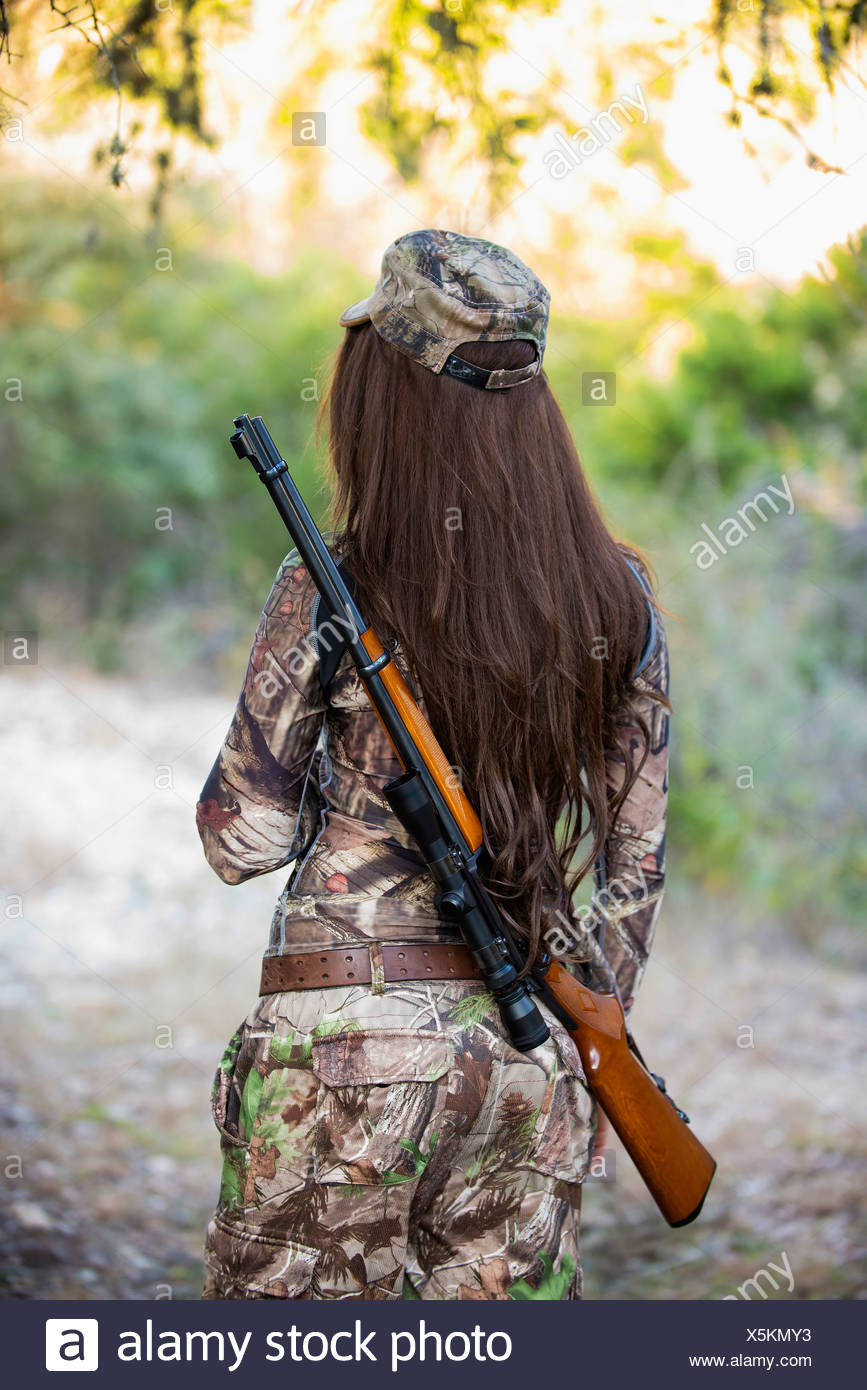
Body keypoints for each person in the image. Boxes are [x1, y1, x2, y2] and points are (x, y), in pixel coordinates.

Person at [195, 229, 670, 1301]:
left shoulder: (336, 581)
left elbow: (243, 842)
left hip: (341, 1049)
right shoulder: (619, 599)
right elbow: (633, 877)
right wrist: (596, 1058)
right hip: (526, 1067)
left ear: (383, 395)